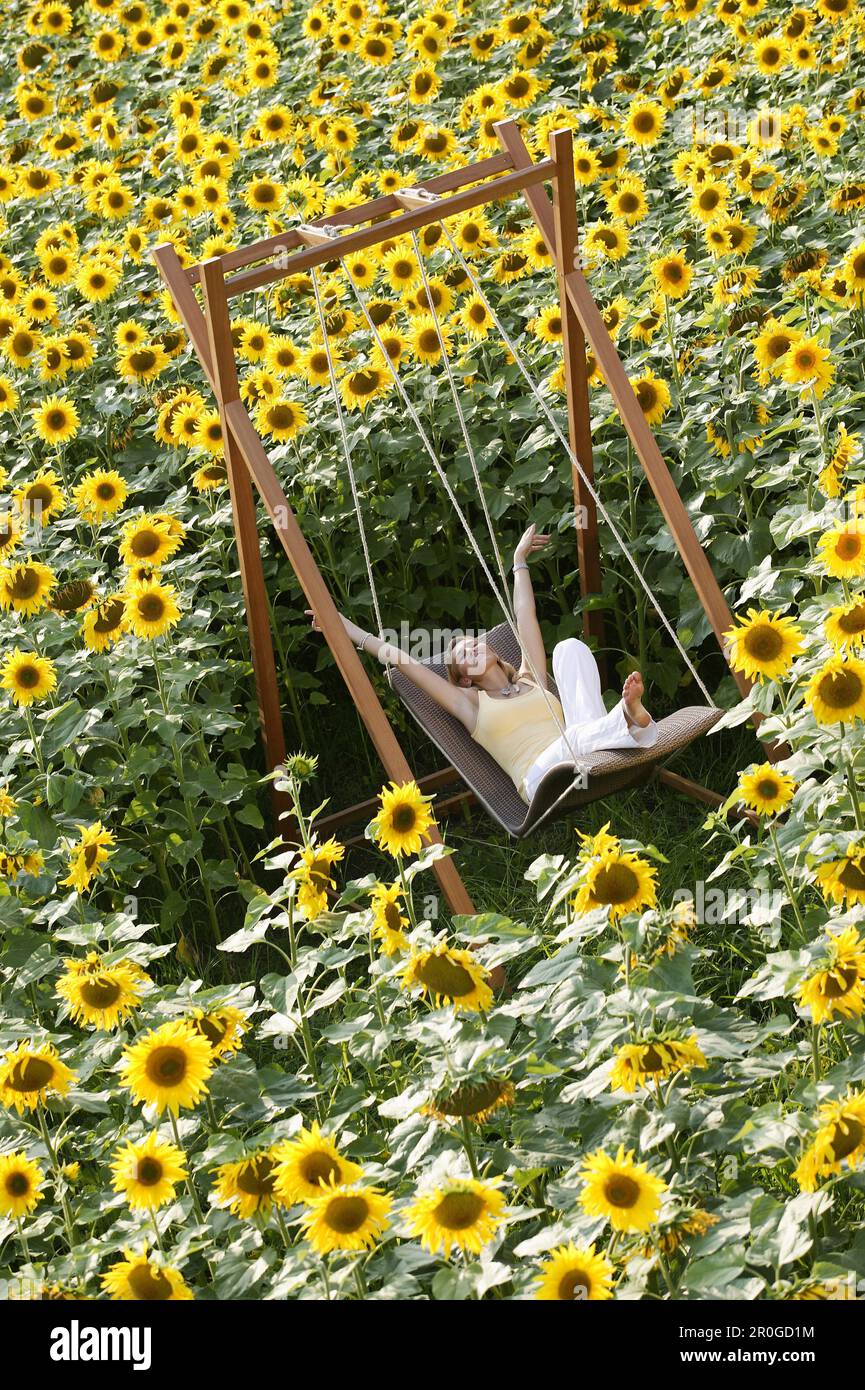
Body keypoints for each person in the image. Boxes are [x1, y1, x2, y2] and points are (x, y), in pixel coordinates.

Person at [308, 524, 658, 804]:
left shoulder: (531, 676)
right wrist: (343, 627)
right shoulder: (471, 706)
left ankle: (619, 727)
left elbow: (525, 614)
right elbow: (402, 661)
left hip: (584, 753)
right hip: (542, 778)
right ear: (464, 681)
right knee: (578, 737)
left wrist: (519, 560)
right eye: (463, 655)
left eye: (472, 643)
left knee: (569, 647)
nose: (471, 648)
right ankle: (628, 724)